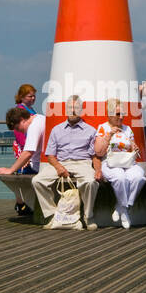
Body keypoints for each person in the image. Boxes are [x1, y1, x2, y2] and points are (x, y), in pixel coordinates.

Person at [32, 96, 101, 229]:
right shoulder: (56, 130)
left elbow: (94, 156)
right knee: (37, 181)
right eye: (70, 108)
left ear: (81, 110)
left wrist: (98, 170)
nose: (73, 111)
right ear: (66, 109)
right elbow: (50, 155)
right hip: (61, 162)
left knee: (91, 182)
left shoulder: (91, 130)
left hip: (82, 163)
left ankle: (88, 216)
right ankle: (53, 215)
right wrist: (58, 167)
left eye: (76, 108)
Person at [94, 97, 146, 229]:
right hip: (110, 163)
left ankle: (122, 207)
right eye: (118, 114)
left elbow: (131, 146)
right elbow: (98, 152)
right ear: (110, 114)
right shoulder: (103, 128)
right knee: (120, 177)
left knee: (139, 177)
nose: (121, 117)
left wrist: (134, 147)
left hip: (126, 162)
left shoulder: (127, 129)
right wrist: (108, 135)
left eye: (123, 113)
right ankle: (125, 211)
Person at [0, 106, 45, 217]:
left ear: (22, 119)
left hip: (38, 168)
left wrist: (11, 169)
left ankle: (27, 205)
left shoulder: (33, 127)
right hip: (45, 163)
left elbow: (28, 152)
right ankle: (27, 205)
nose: (19, 131)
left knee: (13, 179)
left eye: (17, 128)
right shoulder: (41, 118)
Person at [12, 84, 38, 156]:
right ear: (21, 97)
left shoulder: (31, 109)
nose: (33, 98)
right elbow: (18, 131)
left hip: (31, 144)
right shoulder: (19, 110)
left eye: (34, 96)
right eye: (30, 96)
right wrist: (24, 149)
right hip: (24, 147)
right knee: (24, 166)